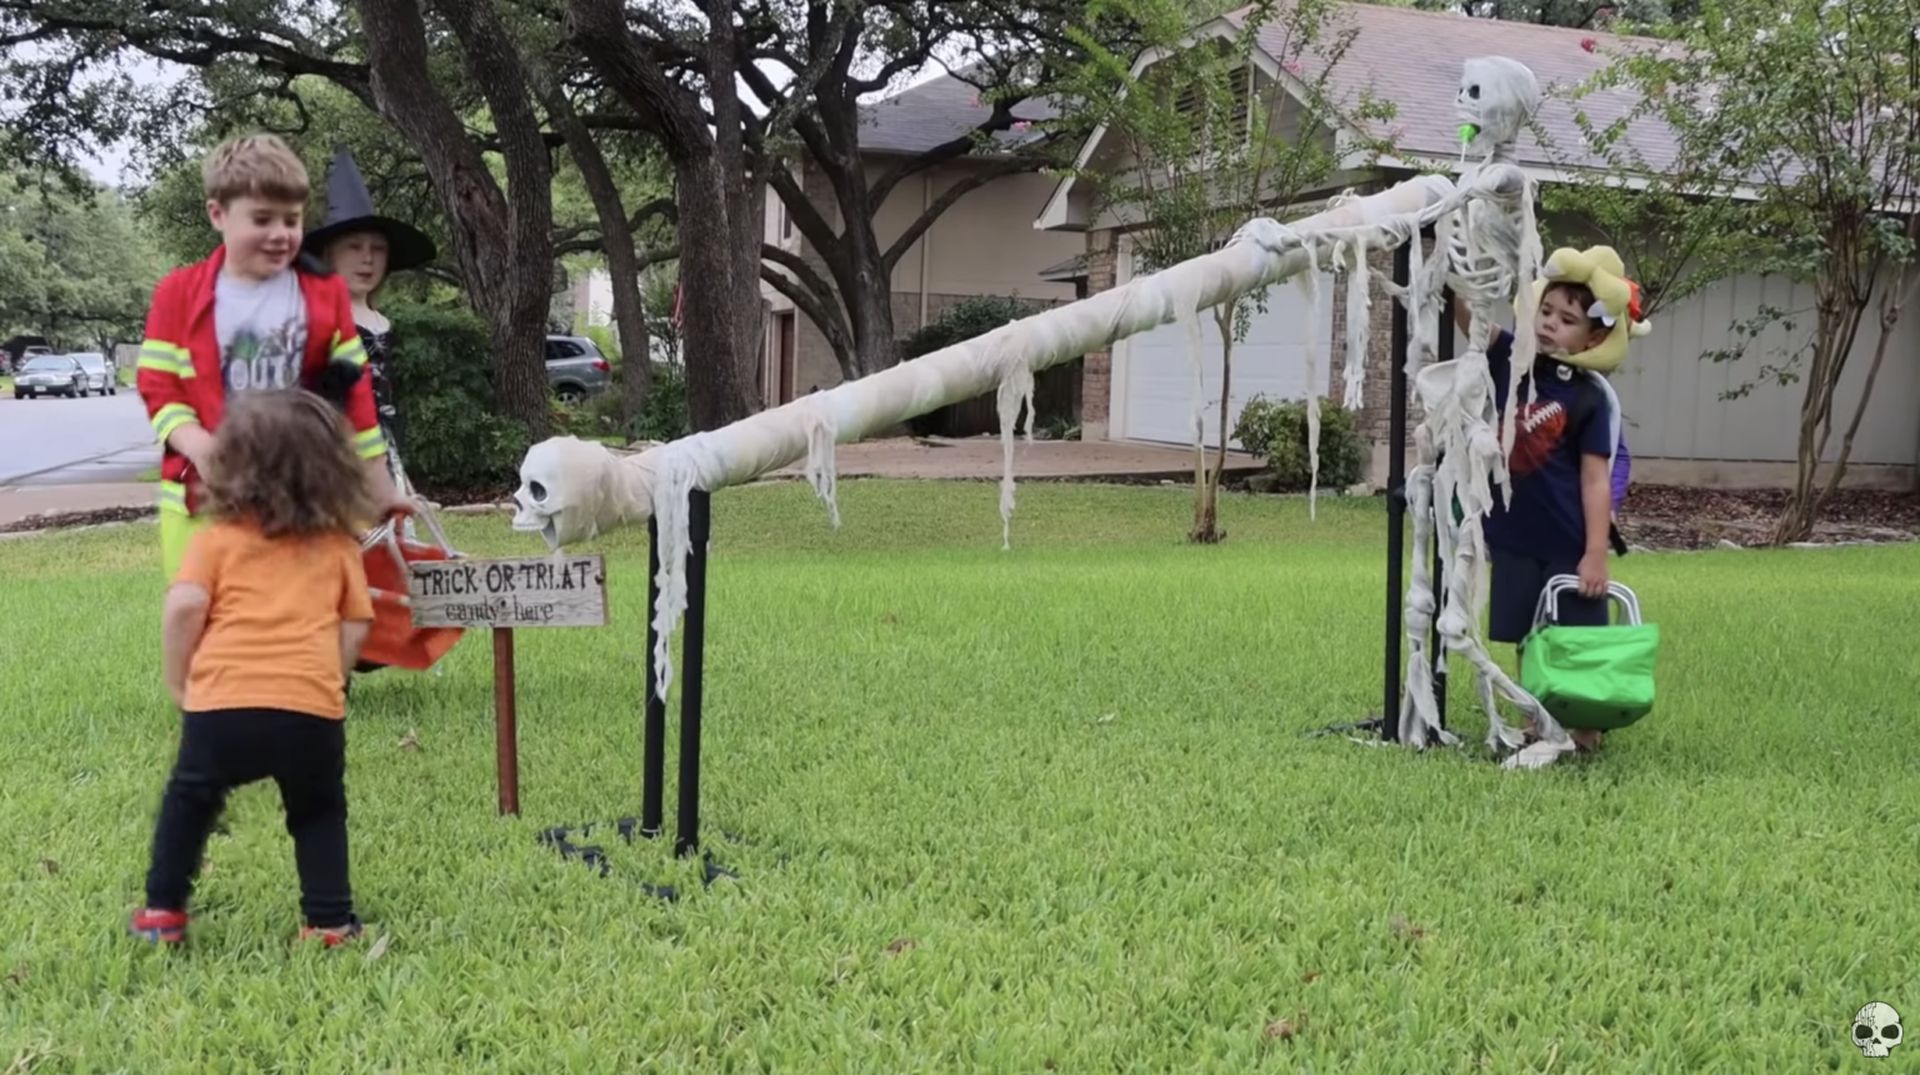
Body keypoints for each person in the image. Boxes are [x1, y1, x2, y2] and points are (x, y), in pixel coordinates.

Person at [130, 390, 378, 947]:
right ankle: (329, 923)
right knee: (317, 811)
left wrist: (179, 679)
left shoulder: (215, 541)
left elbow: (185, 607)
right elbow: (356, 625)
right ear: (333, 472)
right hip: (310, 712)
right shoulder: (339, 548)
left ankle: (163, 914)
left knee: (190, 801)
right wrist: (331, 679)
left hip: (221, 707)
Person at [135, 133, 409, 580]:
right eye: (262, 219)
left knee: (297, 614)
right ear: (218, 214)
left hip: (302, 498)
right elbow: (158, 386)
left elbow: (356, 398)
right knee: (207, 614)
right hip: (206, 501)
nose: (280, 234)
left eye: (291, 220)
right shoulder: (178, 295)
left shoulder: (324, 296)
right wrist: (198, 445)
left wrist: (379, 485)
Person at [1452, 246, 1650, 753]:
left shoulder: (1589, 397)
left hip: (1568, 540)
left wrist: (1596, 551)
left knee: (1577, 634)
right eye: (1546, 312)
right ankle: (1537, 720)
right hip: (1514, 534)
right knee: (1528, 633)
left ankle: (1585, 727)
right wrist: (1448, 271)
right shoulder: (1511, 361)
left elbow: (1595, 479)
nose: (1550, 324)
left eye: (1567, 320)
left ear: (1593, 338)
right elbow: (1472, 321)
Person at [301, 146, 438, 490]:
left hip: (386, 458)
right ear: (328, 255)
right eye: (354, 247)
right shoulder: (313, 320)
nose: (367, 259)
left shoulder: (383, 323)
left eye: (377, 249)